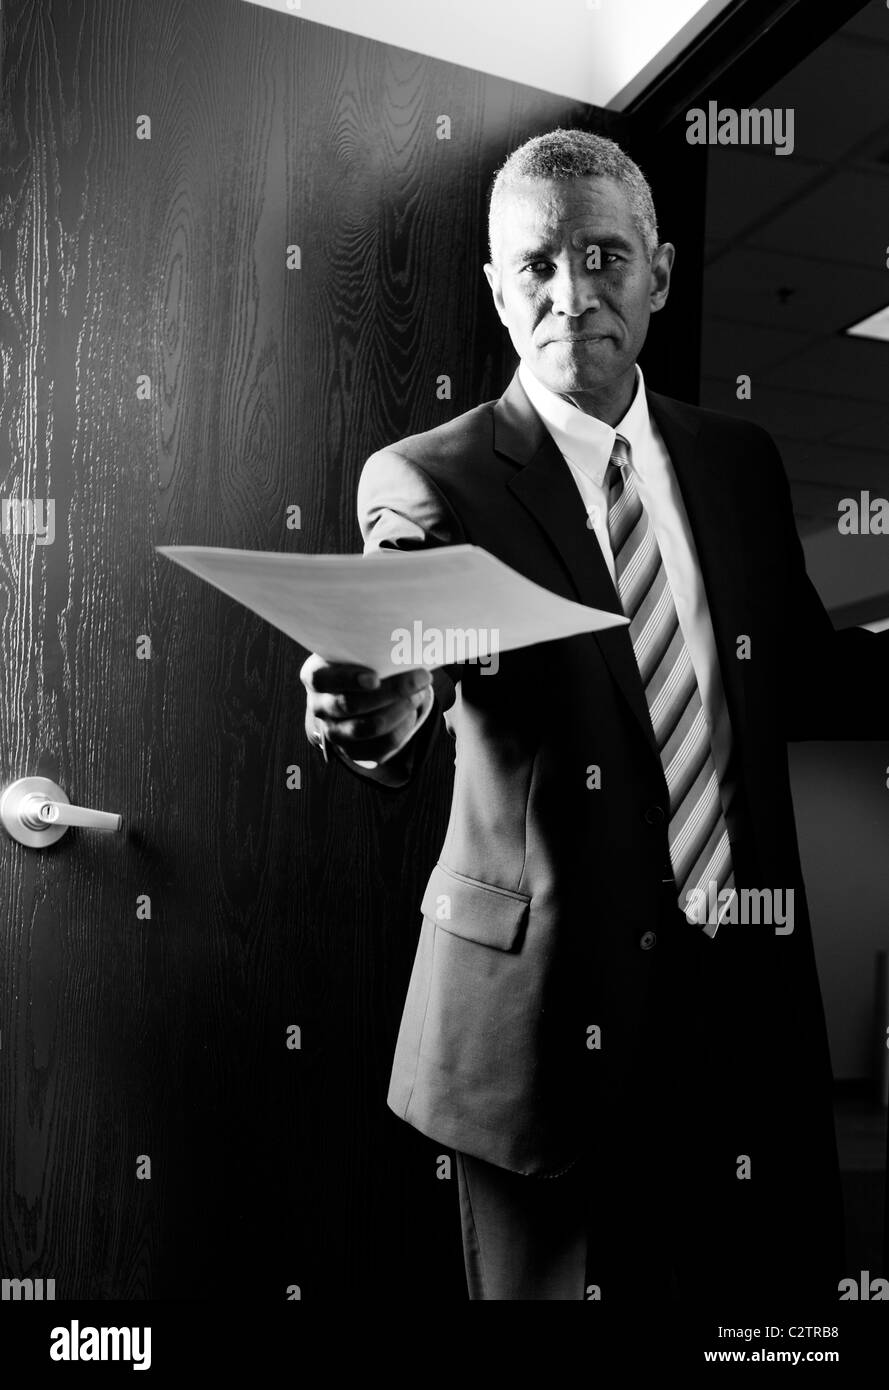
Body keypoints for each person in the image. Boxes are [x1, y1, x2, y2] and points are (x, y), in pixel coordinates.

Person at [300, 128, 887, 1303]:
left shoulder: (736, 462)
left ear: (658, 273)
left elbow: (804, 678)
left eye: (604, 256)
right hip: (545, 1033)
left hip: (747, 1010)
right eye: (537, 265)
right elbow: (409, 644)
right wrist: (381, 701)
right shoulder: (430, 479)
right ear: (496, 288)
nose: (572, 294)